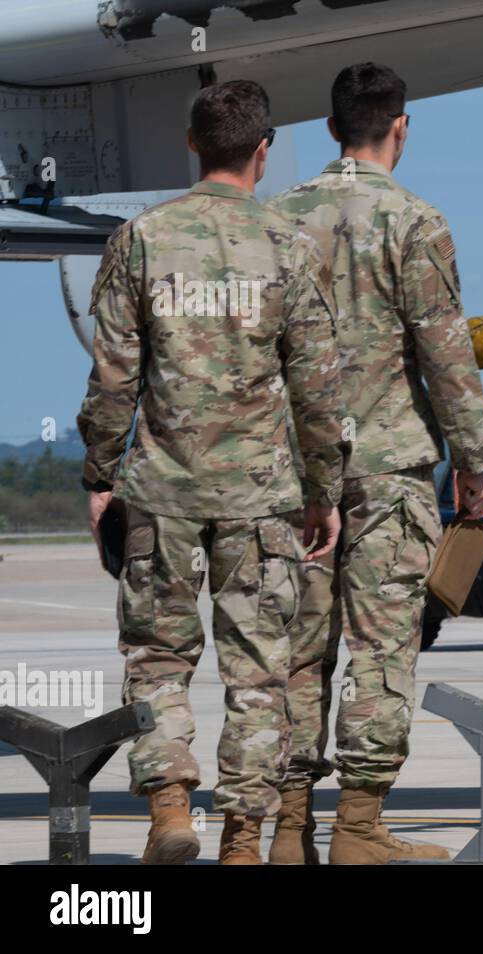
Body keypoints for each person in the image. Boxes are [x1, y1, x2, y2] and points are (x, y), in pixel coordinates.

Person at [77, 80, 345, 864]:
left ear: (192, 144)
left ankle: (169, 806)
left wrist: (101, 475)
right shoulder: (292, 246)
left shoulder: (141, 238)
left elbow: (113, 380)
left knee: (158, 661)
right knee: (259, 674)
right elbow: (318, 391)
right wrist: (324, 492)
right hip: (260, 499)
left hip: (162, 490)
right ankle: (242, 840)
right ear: (264, 152)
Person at [266, 63, 483, 864]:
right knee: (381, 647)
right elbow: (446, 352)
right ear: (402, 125)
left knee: (298, 651)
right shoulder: (416, 221)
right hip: (390, 466)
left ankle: (287, 831)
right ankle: (358, 829)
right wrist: (474, 461)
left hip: (295, 475)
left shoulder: (278, 218)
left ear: (331, 130)